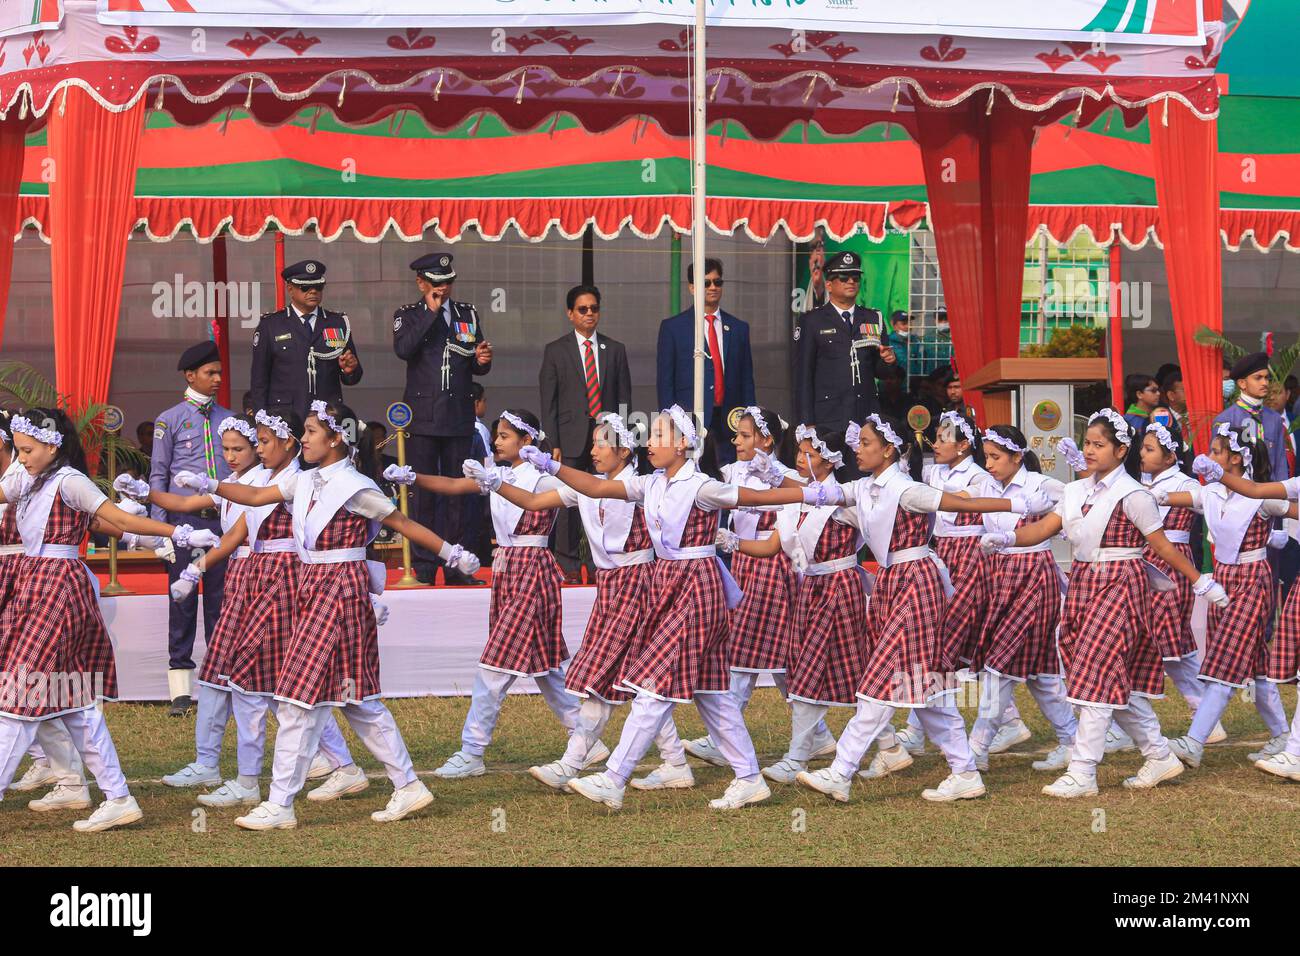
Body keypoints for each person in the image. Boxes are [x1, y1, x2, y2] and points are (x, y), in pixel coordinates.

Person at [183, 399, 471, 829]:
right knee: (357, 700)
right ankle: (408, 785)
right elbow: (258, 495)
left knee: (297, 700)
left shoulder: (353, 486)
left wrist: (453, 554)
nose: (305, 438)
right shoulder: (306, 480)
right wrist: (212, 484)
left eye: (313, 431)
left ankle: (280, 804)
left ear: (336, 438)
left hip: (339, 590)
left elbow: (405, 524)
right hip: (314, 587)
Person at [529, 407, 775, 811]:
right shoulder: (653, 483)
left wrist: (815, 493)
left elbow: (756, 497)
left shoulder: (701, 485)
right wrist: (552, 464)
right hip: (674, 588)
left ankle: (614, 777)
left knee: (651, 690)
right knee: (714, 695)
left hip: (696, 590)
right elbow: (595, 489)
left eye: (659, 436)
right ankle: (748, 776)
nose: (650, 444)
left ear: (682, 443)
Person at [983, 409, 1227, 798]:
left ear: (1120, 449)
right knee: (1117, 684)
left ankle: (1083, 771)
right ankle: (1159, 754)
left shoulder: (1134, 494)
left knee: (1096, 677)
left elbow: (1162, 546)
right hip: (1082, 585)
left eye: (1099, 444)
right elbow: (1045, 528)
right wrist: (1008, 540)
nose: (1090, 450)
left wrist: (1201, 582)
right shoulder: (1076, 491)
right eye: (1088, 444)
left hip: (1121, 586)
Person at [0, 408, 222, 831]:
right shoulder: (35, 480)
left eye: (28, 449)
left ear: (52, 445)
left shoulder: (70, 481)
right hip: (37, 586)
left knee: (18, 700)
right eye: (19, 449)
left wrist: (175, 534)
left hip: (56, 589)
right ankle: (118, 796)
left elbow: (115, 519)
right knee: (76, 701)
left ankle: (111, 794)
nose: (21, 457)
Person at [476, 412, 692, 793]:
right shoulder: (588, 485)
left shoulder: (643, 485)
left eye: (601, 444)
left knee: (599, 675)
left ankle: (571, 762)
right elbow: (533, 501)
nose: (592, 451)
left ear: (624, 451)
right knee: (638, 680)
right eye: (592, 442)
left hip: (639, 583)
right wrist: (495, 483)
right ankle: (674, 760)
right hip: (610, 586)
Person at [389, 409, 591, 779]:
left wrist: (550, 470)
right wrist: (412, 477)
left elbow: (580, 493)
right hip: (507, 570)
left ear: (527, 440)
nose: (496, 442)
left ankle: (473, 750)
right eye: (496, 435)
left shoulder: (539, 479)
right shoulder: (499, 474)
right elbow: (452, 485)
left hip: (532, 570)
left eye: (504, 436)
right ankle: (586, 738)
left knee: (493, 667)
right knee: (547, 669)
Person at [690, 410, 837, 774]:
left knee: (746, 654)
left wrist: (737, 538)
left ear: (766, 439)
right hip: (744, 564)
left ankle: (725, 735)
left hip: (772, 568)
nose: (736, 441)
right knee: (776, 657)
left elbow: (788, 517)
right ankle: (815, 732)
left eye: (744, 435)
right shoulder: (733, 473)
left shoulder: (789, 478)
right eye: (736, 436)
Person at [1155, 423, 1295, 771]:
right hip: (1223, 581)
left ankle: (1194, 741)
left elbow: (1291, 510)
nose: (1209, 458)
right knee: (1254, 665)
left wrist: (1276, 536)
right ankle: (1280, 733)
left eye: (1217, 452)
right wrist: (1149, 495)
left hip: (1252, 581)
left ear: (1236, 458)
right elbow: (1175, 498)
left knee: (1224, 663)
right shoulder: (1211, 493)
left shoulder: (1261, 496)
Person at [962, 424, 1079, 774]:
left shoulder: (1040, 485)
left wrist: (1052, 511)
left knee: (999, 666)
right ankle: (1072, 740)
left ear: (1017, 456)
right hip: (1000, 575)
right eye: (986, 458)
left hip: (1032, 575)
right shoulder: (984, 484)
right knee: (1040, 672)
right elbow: (956, 497)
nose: (990, 464)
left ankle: (976, 748)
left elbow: (1077, 497)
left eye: (996, 457)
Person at [393, 252, 493, 585]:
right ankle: (423, 565)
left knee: (459, 494)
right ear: (421, 283)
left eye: (448, 282)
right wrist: (431, 311)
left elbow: (475, 362)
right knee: (423, 493)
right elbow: (404, 350)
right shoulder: (408, 315)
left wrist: (481, 359)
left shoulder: (468, 313)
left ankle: (457, 566)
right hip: (422, 416)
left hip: (458, 415)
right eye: (436, 283)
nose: (443, 289)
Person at [150, 340, 235, 716]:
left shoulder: (229, 420)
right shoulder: (169, 419)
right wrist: (159, 531)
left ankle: (218, 683)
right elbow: (158, 475)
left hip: (220, 522)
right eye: (209, 373)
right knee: (181, 602)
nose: (217, 379)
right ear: (190, 375)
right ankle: (180, 690)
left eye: (218, 372)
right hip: (183, 524)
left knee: (220, 603)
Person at [539, 284, 632, 583]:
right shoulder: (555, 350)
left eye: (594, 308)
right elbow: (548, 401)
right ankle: (566, 564)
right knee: (568, 501)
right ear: (570, 314)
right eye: (583, 309)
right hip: (569, 438)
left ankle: (597, 561)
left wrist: (620, 441)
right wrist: (552, 441)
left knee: (603, 499)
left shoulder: (615, 349)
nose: (589, 314)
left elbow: (623, 399)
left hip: (606, 442)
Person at [657, 258, 756, 466]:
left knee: (728, 478)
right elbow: (665, 382)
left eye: (717, 282)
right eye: (706, 282)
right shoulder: (673, 328)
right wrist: (670, 425)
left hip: (730, 420)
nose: (713, 287)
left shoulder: (738, 328)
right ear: (692, 288)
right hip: (689, 420)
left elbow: (747, 380)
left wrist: (750, 421)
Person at [793, 250, 898, 435]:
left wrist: (888, 361)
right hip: (828, 417)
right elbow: (803, 376)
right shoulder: (813, 321)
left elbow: (881, 372)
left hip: (866, 416)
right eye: (844, 277)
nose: (851, 282)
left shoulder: (873, 318)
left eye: (855, 277)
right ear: (829, 285)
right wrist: (807, 422)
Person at [249, 259, 362, 421]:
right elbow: (259, 379)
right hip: (285, 417)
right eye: (305, 287)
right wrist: (261, 420)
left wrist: (349, 370)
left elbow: (353, 376)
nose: (313, 292)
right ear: (290, 289)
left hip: (326, 416)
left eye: (318, 287)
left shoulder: (337, 322)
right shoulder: (271, 325)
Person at [1215, 351, 1287, 486]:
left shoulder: (1275, 419)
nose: (1265, 383)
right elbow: (1218, 466)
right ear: (1242, 383)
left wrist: (1284, 497)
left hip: (1271, 497)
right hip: (1237, 497)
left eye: (1267, 378)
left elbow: (1280, 464)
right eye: (1258, 378)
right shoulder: (1225, 419)